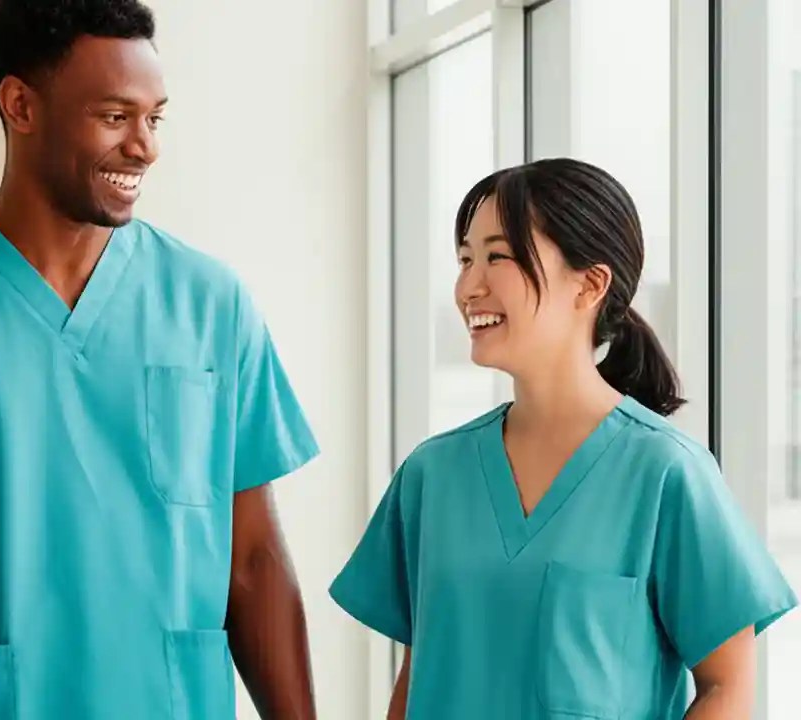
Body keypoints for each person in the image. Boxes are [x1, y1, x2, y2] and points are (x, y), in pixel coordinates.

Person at [0, 1, 320, 718]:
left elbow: (255, 562)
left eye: (154, 118)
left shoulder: (212, 304)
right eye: (114, 117)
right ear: (21, 105)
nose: (145, 146)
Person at [331, 157, 798, 718]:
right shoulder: (431, 475)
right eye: (465, 258)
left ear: (590, 284)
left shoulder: (665, 473)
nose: (468, 286)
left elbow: (729, 686)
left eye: (497, 256)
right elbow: (418, 675)